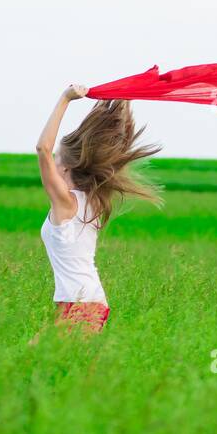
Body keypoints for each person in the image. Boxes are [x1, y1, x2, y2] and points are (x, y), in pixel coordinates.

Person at [35, 83, 161, 331]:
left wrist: (65, 98)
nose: (52, 163)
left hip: (80, 304)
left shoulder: (66, 202)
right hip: (84, 302)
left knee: (33, 364)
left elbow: (42, 149)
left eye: (56, 159)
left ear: (65, 168)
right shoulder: (92, 199)